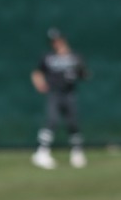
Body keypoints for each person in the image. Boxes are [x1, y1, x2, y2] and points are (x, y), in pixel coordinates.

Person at [31, 28, 89, 169]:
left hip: (69, 93)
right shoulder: (48, 57)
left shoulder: (74, 56)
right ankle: (42, 152)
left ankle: (77, 152)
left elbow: (85, 74)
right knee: (52, 121)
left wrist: (80, 70)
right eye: (53, 41)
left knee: (73, 123)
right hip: (54, 93)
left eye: (58, 40)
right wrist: (40, 84)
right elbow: (36, 72)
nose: (56, 43)